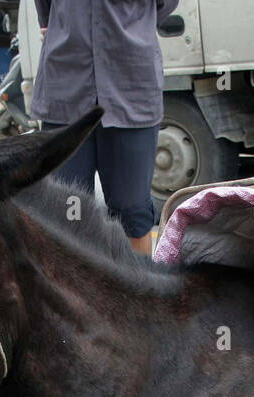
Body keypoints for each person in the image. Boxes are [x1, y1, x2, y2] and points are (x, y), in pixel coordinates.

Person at [32, 0, 177, 256]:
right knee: (67, 212)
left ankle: (137, 293)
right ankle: (75, 295)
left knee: (132, 212)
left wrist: (134, 24)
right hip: (66, 88)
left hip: (131, 86)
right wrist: (59, 24)